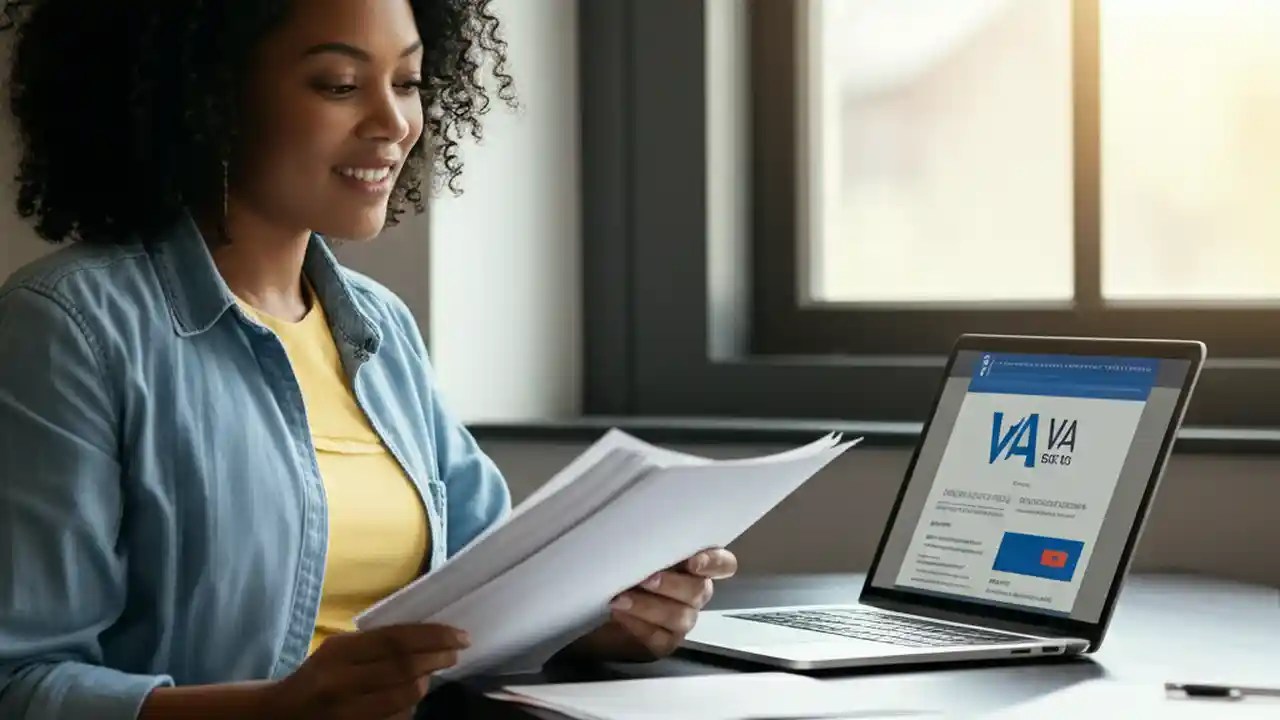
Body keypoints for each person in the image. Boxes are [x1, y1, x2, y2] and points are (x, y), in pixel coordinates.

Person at [0, 1, 738, 719]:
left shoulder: (379, 324)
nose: (393, 123)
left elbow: (497, 591)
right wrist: (275, 710)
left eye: (409, 82)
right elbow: (20, 684)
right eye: (340, 85)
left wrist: (611, 614)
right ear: (206, 98)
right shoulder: (70, 328)